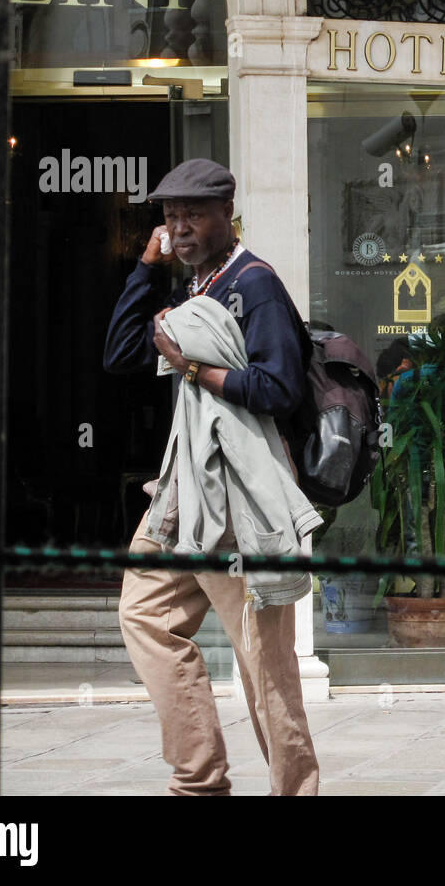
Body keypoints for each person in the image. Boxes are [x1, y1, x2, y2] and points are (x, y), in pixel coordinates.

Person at [103, 158, 320, 796]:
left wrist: (195, 371)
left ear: (228, 215)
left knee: (263, 662)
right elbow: (120, 354)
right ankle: (199, 778)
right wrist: (147, 266)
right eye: (171, 217)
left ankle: (295, 789)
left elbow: (278, 387)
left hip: (237, 503)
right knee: (143, 614)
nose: (181, 227)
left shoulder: (254, 285)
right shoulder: (191, 290)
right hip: (181, 492)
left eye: (193, 214)